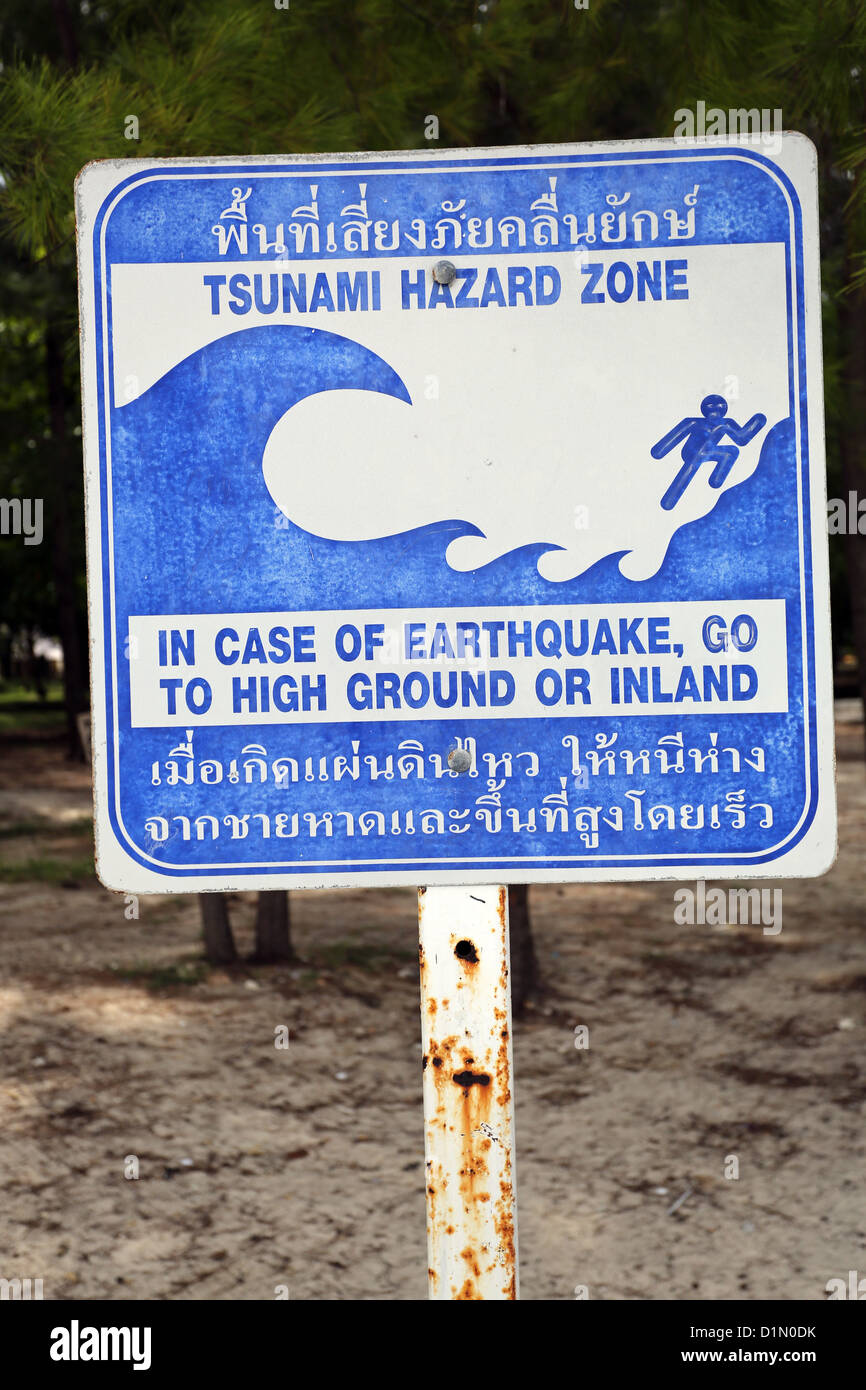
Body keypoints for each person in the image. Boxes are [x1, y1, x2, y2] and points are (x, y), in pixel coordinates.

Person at [650, 394, 767, 510]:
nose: (714, 415)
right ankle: (715, 480)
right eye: (712, 409)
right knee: (729, 452)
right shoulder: (694, 422)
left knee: (731, 452)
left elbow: (741, 439)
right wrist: (660, 451)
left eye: (718, 409)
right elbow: (669, 441)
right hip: (691, 452)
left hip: (708, 450)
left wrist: (757, 422)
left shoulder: (726, 423)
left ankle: (716, 479)